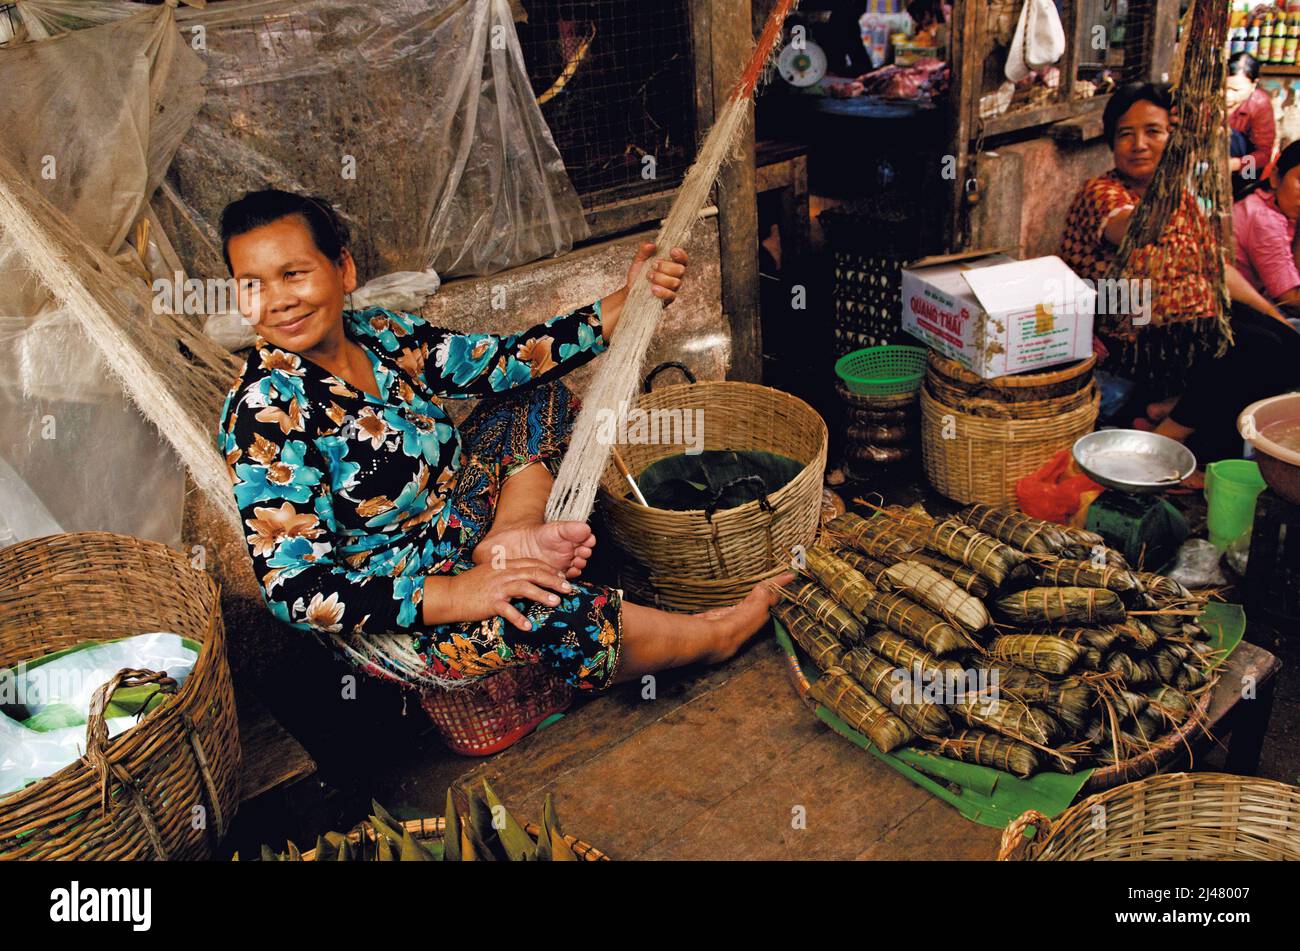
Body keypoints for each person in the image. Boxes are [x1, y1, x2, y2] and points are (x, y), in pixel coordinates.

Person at [216, 189, 790, 697]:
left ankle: (511, 535)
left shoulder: (381, 334)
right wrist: (463, 593)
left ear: (342, 269)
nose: (277, 300)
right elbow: (297, 589)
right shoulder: (263, 414)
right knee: (546, 612)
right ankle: (716, 635)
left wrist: (625, 300)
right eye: (252, 285)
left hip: (459, 523)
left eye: (294, 274)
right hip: (405, 605)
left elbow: (506, 364)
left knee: (535, 396)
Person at [1059, 82, 1297, 462]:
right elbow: (1131, 228)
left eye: (1153, 132)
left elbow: (1217, 270)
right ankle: (1163, 442)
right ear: (1112, 143)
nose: (1138, 144)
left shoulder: (1185, 201)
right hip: (1130, 337)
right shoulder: (1101, 192)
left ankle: (1173, 416)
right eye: (1125, 134)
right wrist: (1172, 175)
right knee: (1254, 350)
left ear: (1172, 139)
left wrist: (1278, 318)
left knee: (1287, 347)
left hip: (1189, 322)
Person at [1226, 52, 1276, 200]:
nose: (1228, 95)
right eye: (1225, 87)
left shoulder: (1260, 103)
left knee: (1233, 138)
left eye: (1236, 90)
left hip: (1244, 170)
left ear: (1254, 84)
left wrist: (1232, 165)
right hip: (1209, 163)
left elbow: (1264, 155)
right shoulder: (1210, 97)